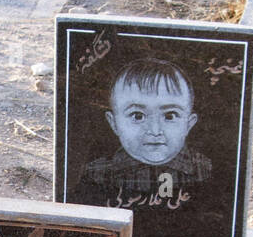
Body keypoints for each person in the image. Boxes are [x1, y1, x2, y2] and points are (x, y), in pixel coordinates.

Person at [71, 58, 212, 205]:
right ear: (114, 124)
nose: (155, 131)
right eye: (137, 116)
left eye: (170, 116)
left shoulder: (205, 171)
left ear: (189, 123)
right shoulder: (96, 174)